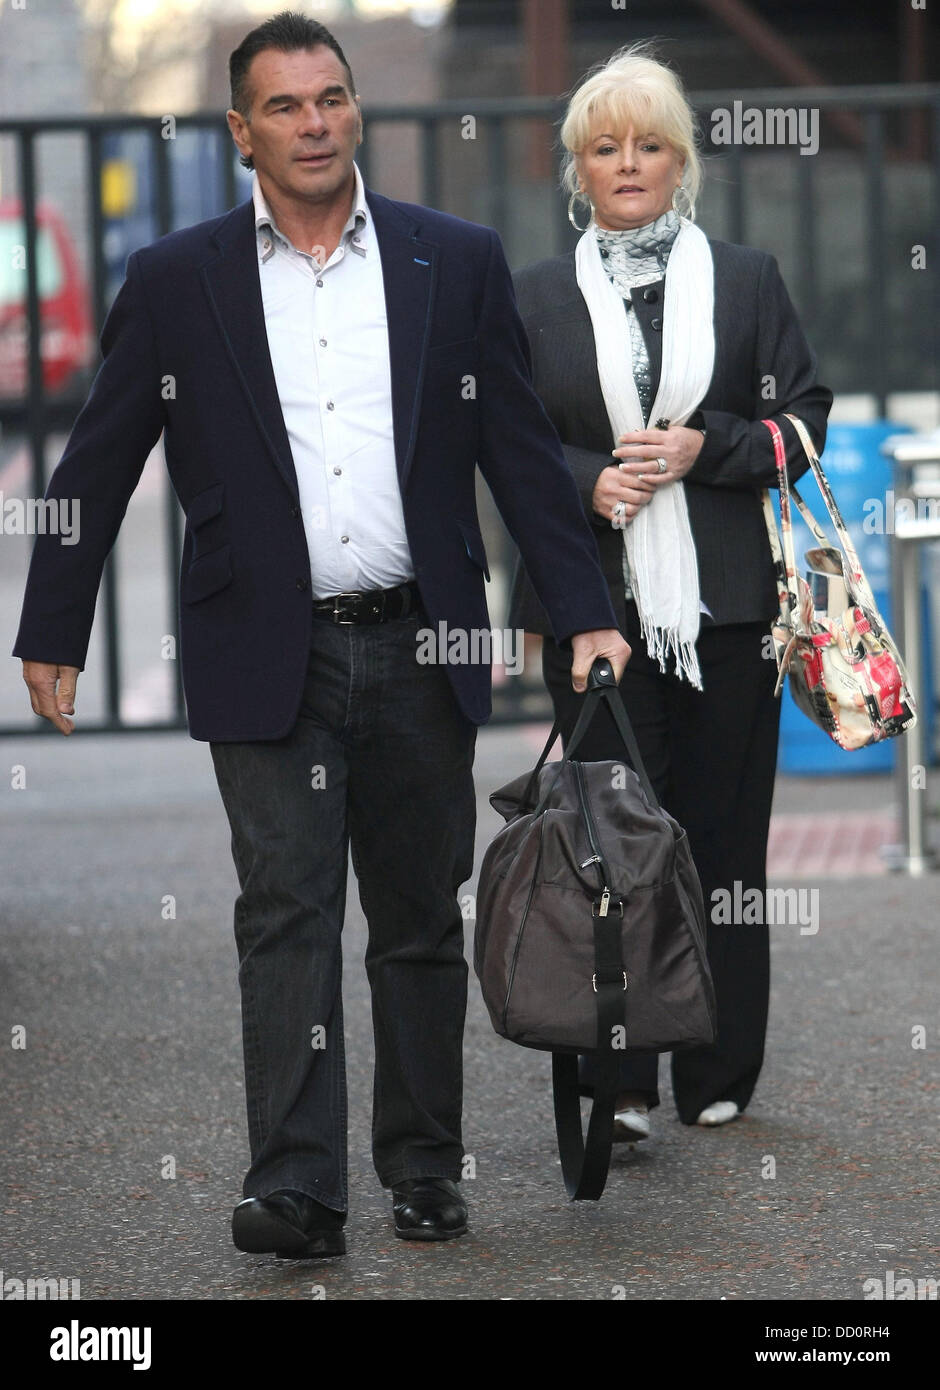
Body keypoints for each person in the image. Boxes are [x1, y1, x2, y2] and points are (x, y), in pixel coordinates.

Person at [13, 12, 628, 1257]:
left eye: (331, 100)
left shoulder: (448, 262)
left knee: (414, 918)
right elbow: (98, 457)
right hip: (265, 651)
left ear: (357, 112)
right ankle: (296, 1184)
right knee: (283, 915)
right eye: (285, 106)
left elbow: (518, 454)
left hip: (420, 644)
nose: (315, 124)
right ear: (240, 131)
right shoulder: (178, 281)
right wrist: (53, 624)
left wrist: (586, 614)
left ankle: (419, 1168)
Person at [508, 43, 832, 1146]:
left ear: (680, 159)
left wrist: (713, 444)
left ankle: (718, 1065)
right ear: (579, 168)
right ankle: (624, 1077)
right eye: (606, 147)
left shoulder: (746, 280)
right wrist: (581, 478)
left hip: (730, 615)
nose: (628, 163)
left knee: (723, 845)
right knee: (609, 844)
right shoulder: (536, 296)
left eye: (649, 144)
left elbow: (804, 429)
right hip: (596, 609)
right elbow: (503, 442)